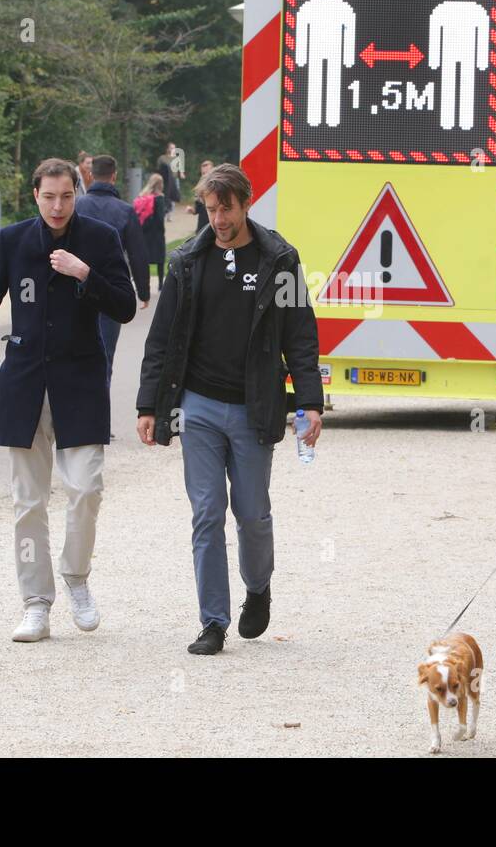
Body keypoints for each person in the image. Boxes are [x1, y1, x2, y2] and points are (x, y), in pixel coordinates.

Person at [136, 163, 324, 656]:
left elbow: (300, 335)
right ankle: (213, 621)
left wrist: (309, 402)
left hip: (252, 406)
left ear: (246, 203)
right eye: (210, 209)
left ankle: (257, 589)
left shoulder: (278, 260)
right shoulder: (187, 261)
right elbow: (162, 339)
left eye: (226, 209)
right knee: (206, 513)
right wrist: (148, 405)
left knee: (253, 513)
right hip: (196, 405)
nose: (218, 219)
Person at [0, 158, 136, 642]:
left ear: (77, 193)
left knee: (86, 489)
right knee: (28, 503)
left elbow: (124, 304)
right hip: (25, 382)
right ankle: (36, 602)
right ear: (35, 195)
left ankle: (76, 577)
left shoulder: (99, 238)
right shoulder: (14, 241)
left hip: (80, 382)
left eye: (66, 196)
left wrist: (85, 274)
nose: (58, 206)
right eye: (49, 196)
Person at [75, 153, 151, 388]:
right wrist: (143, 291)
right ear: (114, 177)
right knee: (104, 357)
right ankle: (98, 414)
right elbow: (138, 254)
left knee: (75, 355)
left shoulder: (76, 206)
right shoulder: (125, 211)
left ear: (90, 174)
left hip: (76, 289)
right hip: (110, 291)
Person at [134, 173, 169, 291]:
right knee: (160, 259)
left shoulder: (143, 196)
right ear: (160, 184)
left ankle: (146, 284)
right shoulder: (159, 198)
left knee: (146, 259)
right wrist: (162, 230)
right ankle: (160, 284)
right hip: (157, 233)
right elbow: (160, 218)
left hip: (145, 232)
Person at [186, 160, 214, 234]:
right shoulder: (199, 188)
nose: (205, 176)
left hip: (214, 227)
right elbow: (197, 210)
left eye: (207, 173)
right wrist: (191, 210)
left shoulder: (218, 187)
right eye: (203, 173)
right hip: (201, 228)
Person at [155, 141, 182, 207]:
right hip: (164, 180)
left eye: (174, 148)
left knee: (174, 195)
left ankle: (170, 209)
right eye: (171, 148)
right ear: (167, 149)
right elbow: (158, 169)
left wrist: (181, 174)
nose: (173, 149)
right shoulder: (162, 158)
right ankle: (165, 208)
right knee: (164, 195)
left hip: (174, 179)